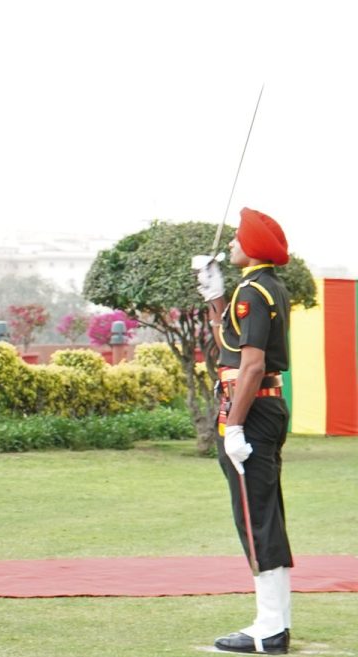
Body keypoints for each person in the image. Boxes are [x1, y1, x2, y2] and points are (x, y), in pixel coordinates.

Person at [194, 208, 294, 655]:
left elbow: (251, 365)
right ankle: (276, 623)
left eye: (237, 239)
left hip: (250, 411)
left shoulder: (253, 290)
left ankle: (269, 629)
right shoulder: (260, 288)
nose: (231, 244)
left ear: (252, 248)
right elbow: (229, 350)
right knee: (264, 513)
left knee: (254, 518)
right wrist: (216, 297)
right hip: (258, 408)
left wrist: (234, 426)